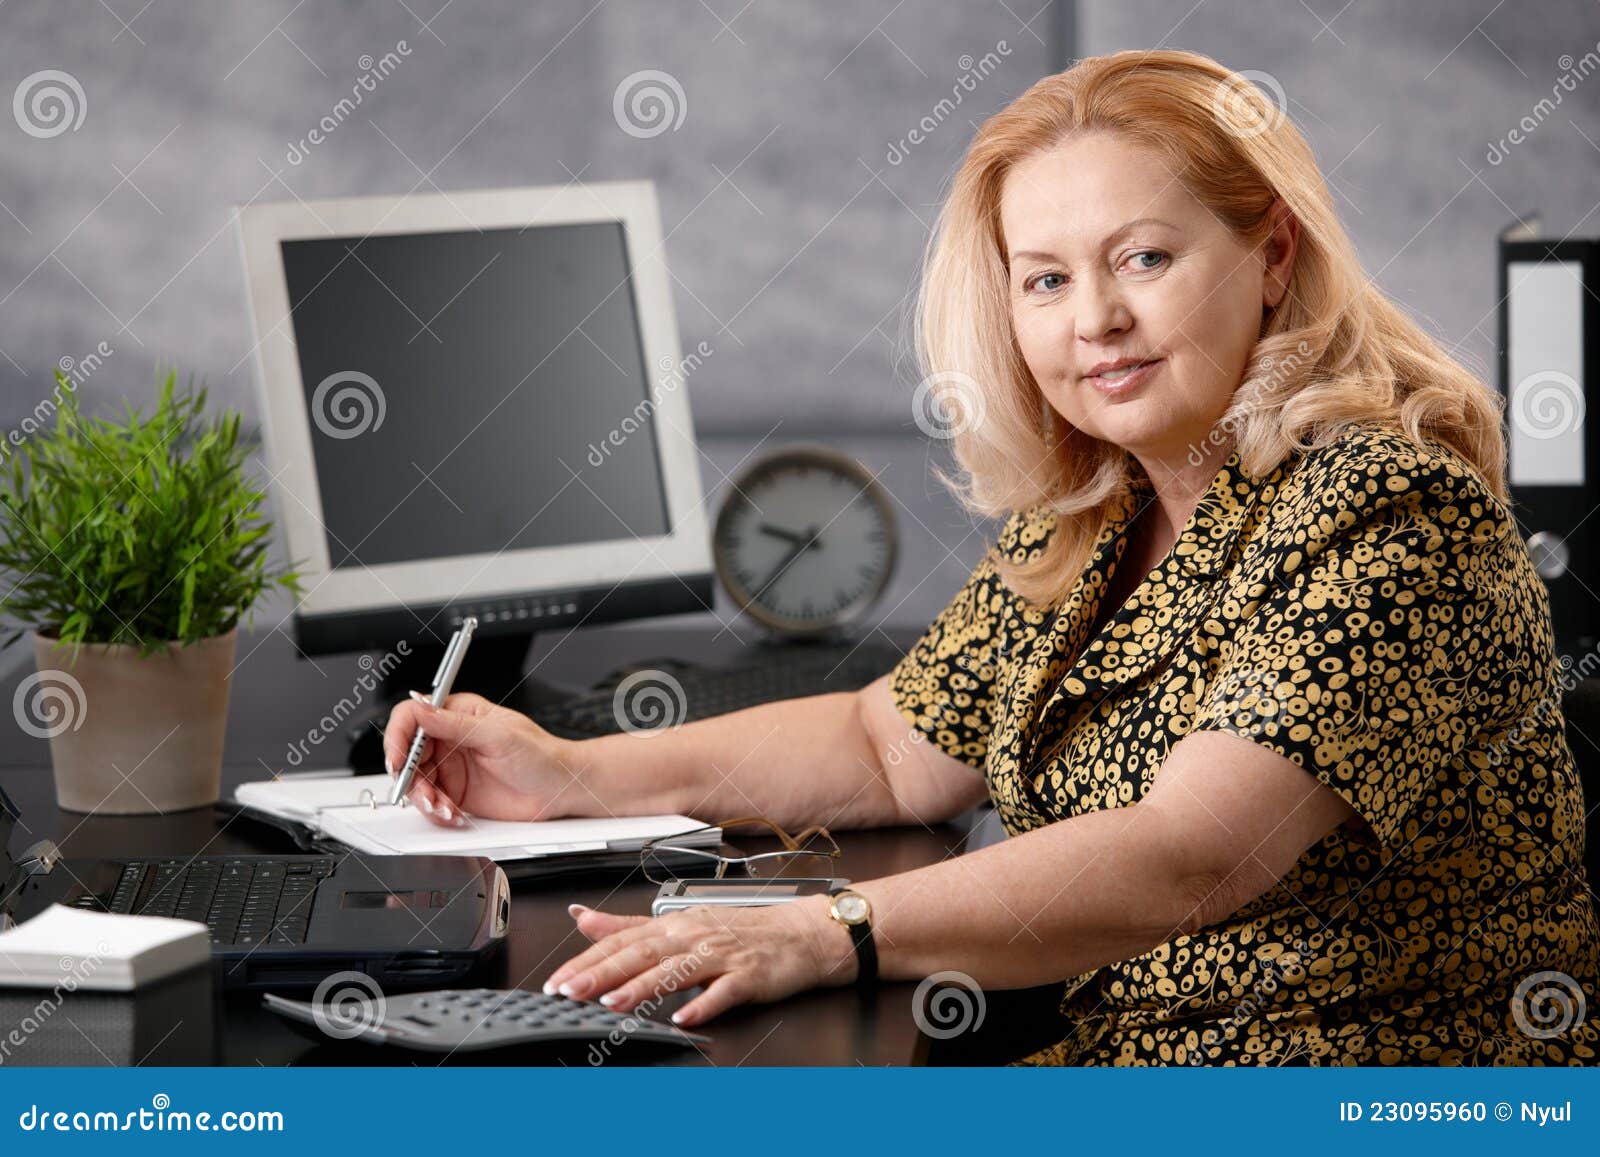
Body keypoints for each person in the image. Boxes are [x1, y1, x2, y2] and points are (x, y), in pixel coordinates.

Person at [382, 49, 1600, 1065]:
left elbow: (1194, 852)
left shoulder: (1389, 509)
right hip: (1135, 1052)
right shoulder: (1096, 506)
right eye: (1045, 280)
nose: (1093, 322)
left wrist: (832, 928)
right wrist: (573, 774)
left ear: (1272, 257)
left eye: (1144, 259)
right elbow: (889, 747)